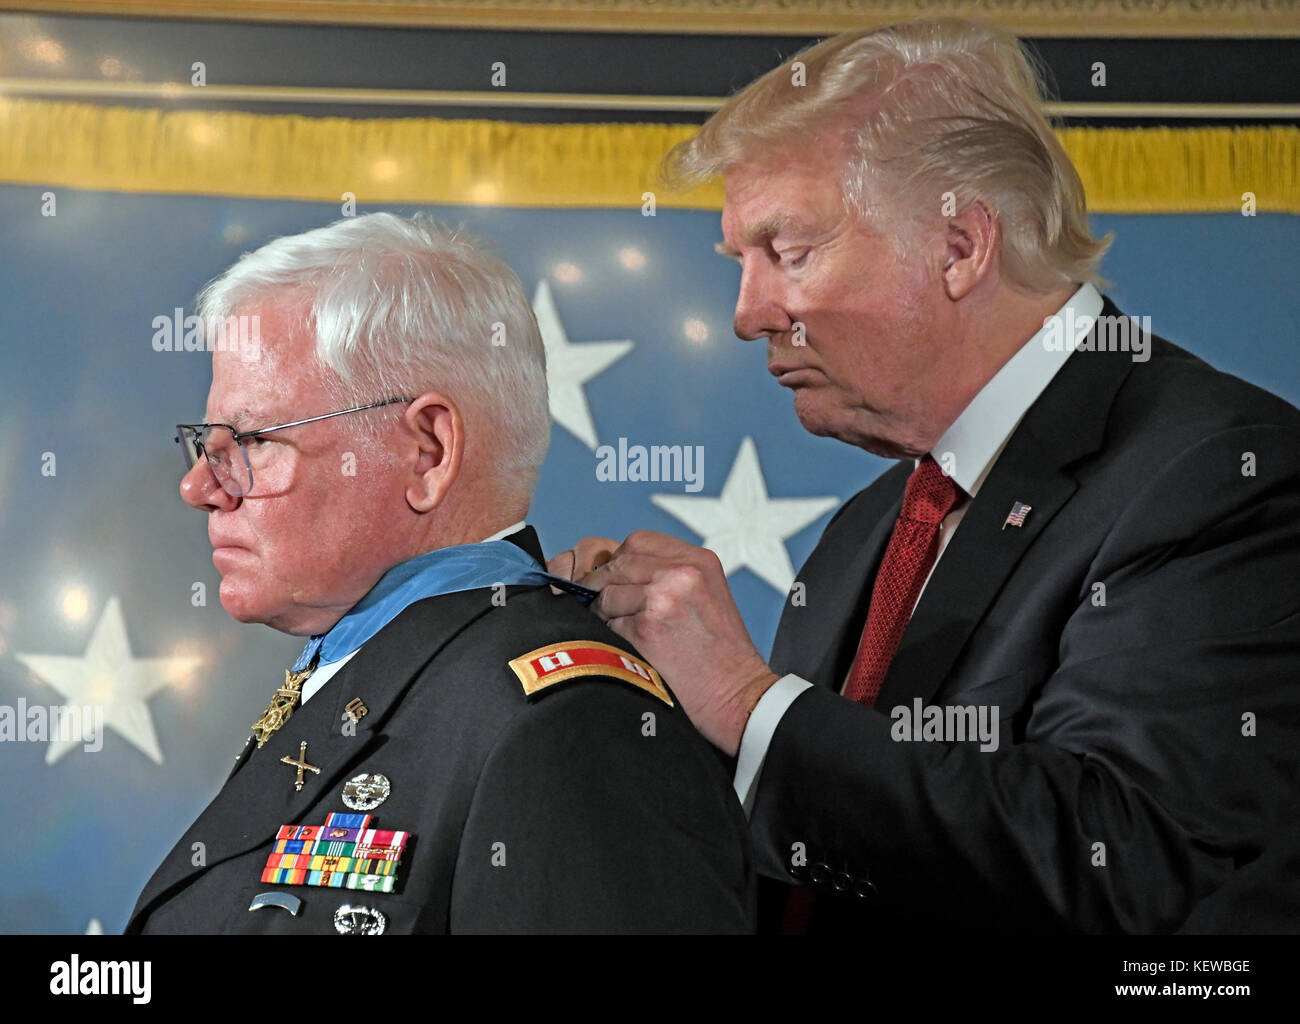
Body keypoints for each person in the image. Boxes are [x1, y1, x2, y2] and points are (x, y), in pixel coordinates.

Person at [549, 20, 1300, 933]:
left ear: (959, 246)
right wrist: (654, 710)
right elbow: (823, 850)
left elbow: (1131, 859)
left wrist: (750, 708)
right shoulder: (871, 527)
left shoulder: (1225, 473)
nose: (748, 315)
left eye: (787, 253)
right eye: (740, 265)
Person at [126, 212, 755, 935]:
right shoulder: (395, 669)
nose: (201, 486)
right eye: (205, 444)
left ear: (428, 451)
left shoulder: (568, 726)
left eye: (253, 441)